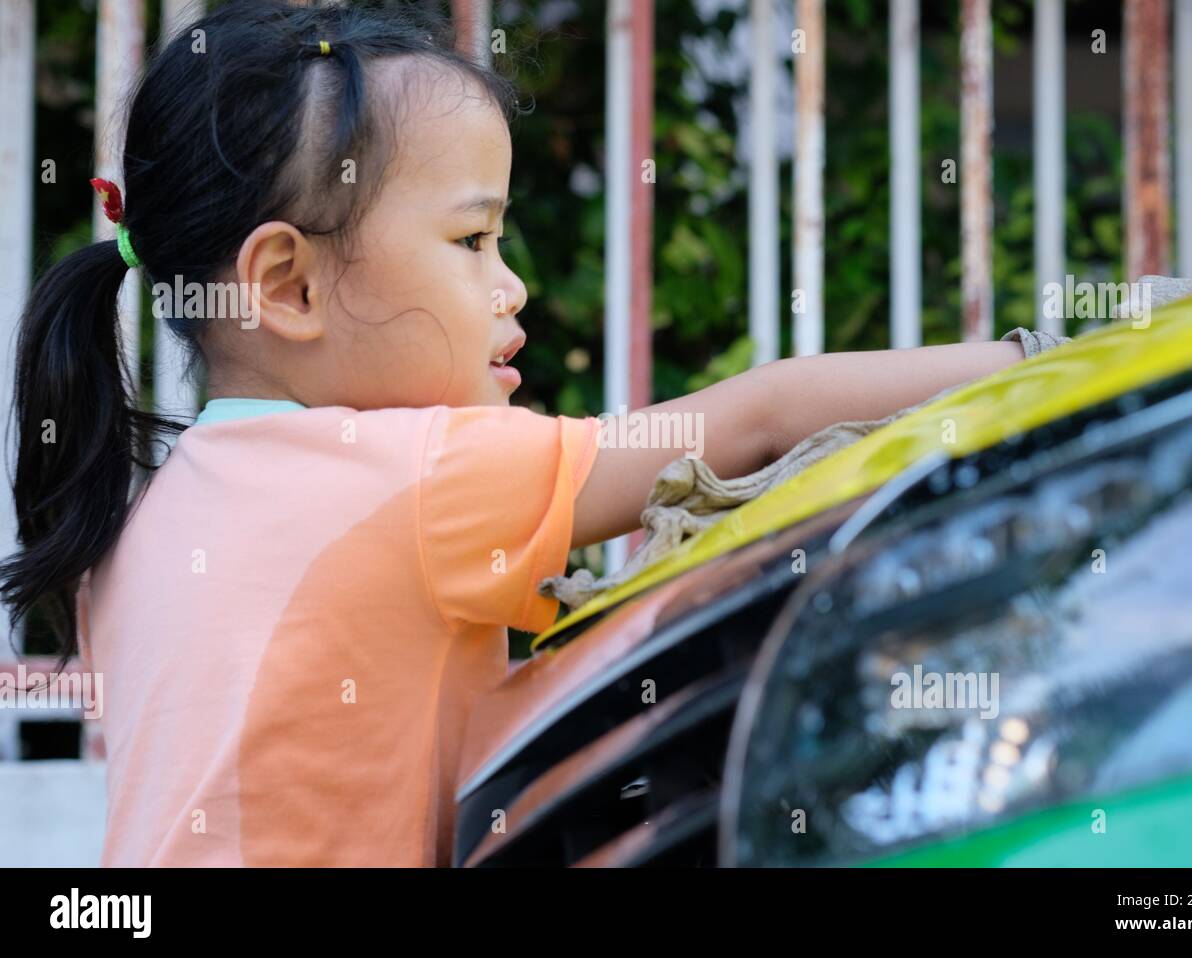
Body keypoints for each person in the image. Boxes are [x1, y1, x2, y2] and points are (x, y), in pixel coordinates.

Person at [0, 0, 1023, 866]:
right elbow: (757, 416)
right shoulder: (412, 478)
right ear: (289, 284)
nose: (511, 285)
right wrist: (1045, 362)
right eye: (471, 240)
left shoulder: (140, 530)